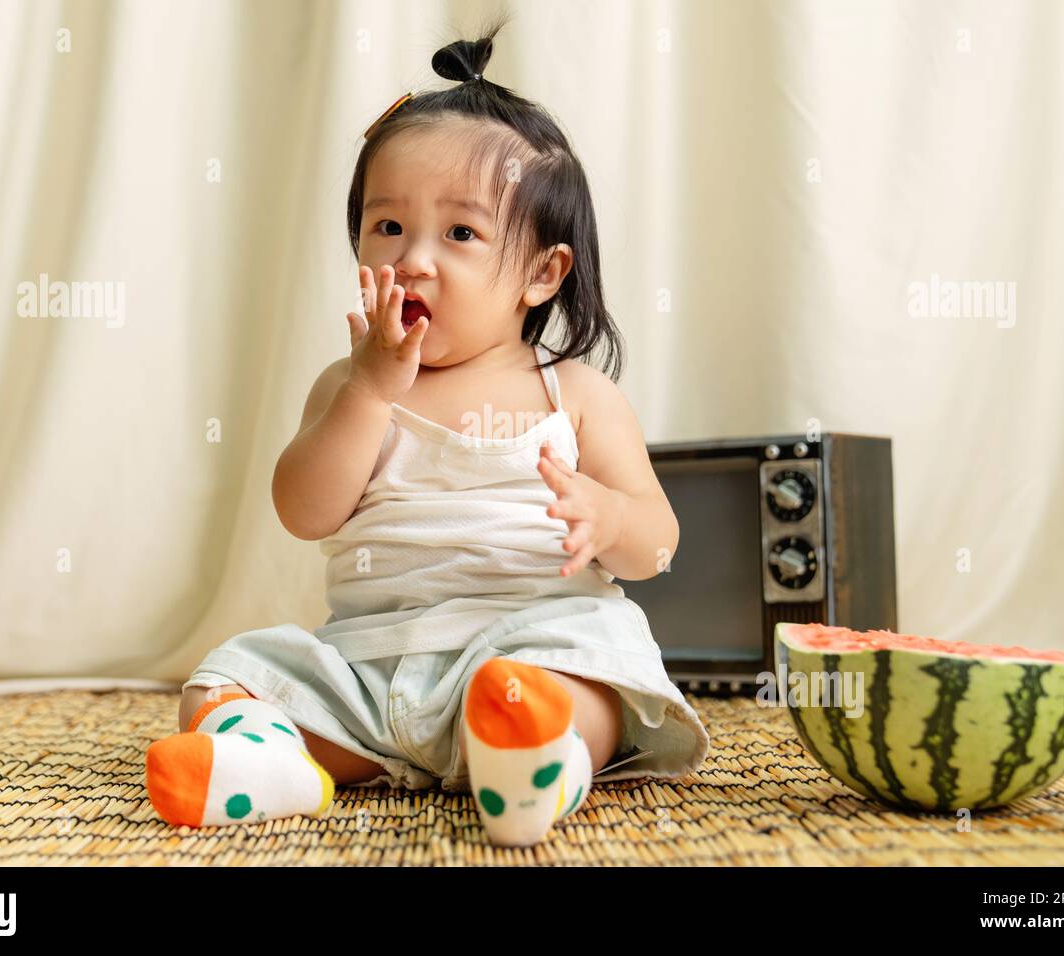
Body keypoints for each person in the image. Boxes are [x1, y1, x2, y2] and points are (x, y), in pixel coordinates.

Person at [146, 14, 709, 847]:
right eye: (387, 227)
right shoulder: (348, 386)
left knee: (585, 681)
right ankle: (268, 763)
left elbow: (655, 542)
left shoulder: (576, 396)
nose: (413, 258)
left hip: (529, 645)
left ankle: (535, 756)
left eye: (460, 233)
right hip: (369, 668)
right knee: (230, 675)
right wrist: (369, 393)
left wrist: (611, 517)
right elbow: (305, 511)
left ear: (541, 273)